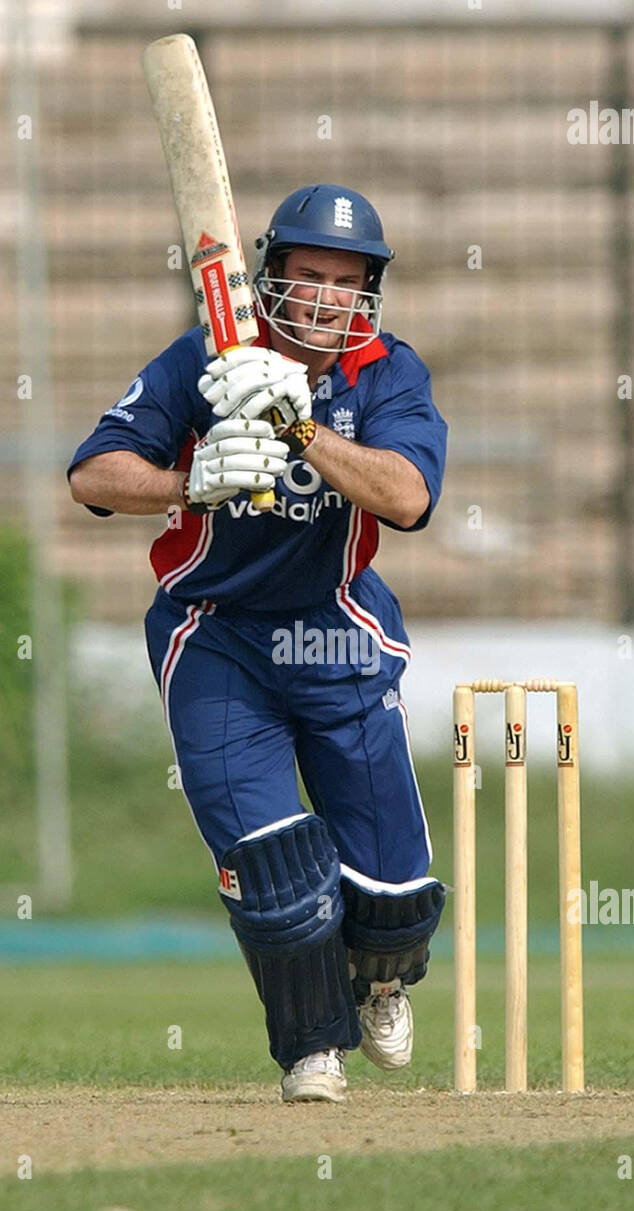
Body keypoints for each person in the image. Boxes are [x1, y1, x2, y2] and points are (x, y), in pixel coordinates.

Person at [68, 184, 449, 1103]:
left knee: (394, 901)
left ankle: (381, 979)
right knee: (276, 870)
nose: (323, 298)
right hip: (218, 638)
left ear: (370, 290)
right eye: (307, 276)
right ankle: (311, 1050)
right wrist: (188, 481)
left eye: (345, 282)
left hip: (340, 634)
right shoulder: (204, 359)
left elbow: (406, 500)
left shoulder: (388, 373)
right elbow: (93, 473)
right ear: (268, 277)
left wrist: (298, 428)